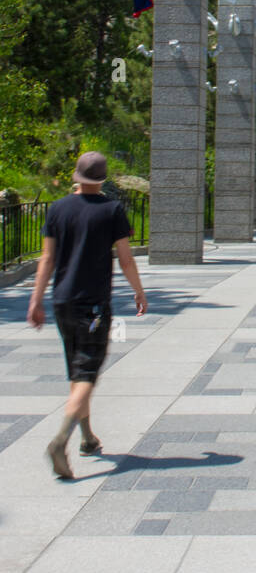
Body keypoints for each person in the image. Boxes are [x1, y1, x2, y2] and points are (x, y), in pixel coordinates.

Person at [26, 152, 149, 480]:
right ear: (102, 179)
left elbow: (46, 259)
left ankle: (87, 437)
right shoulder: (112, 210)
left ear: (77, 175)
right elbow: (125, 259)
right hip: (93, 305)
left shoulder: (58, 208)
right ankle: (60, 440)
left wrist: (36, 300)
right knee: (87, 374)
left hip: (62, 301)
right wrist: (138, 290)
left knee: (77, 370)